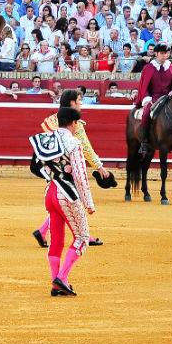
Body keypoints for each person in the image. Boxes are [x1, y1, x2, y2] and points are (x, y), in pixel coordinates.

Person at [30, 107, 96, 297]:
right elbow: (81, 176)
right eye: (78, 124)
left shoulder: (47, 139)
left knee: (57, 240)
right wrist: (89, 203)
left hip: (49, 194)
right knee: (82, 238)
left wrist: (54, 175)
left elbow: (36, 167)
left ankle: (56, 282)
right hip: (66, 195)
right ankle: (62, 277)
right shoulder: (73, 143)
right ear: (74, 123)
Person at [33, 90, 109, 248]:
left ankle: (42, 230)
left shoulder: (52, 120)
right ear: (72, 103)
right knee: (75, 199)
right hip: (69, 170)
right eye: (79, 101)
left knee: (61, 202)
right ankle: (84, 235)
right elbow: (86, 149)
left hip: (52, 170)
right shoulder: (76, 124)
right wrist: (99, 166)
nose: (81, 103)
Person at [133, 44, 172, 155]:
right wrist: (147, 99)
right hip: (153, 98)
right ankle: (144, 142)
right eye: (162, 53)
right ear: (156, 54)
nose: (164, 56)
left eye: (166, 53)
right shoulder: (148, 68)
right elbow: (144, 87)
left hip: (168, 99)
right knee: (145, 114)